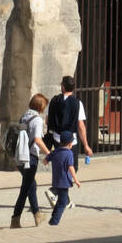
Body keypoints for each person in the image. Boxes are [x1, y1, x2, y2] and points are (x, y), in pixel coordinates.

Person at [44, 76, 92, 209]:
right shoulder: (77, 103)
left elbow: (48, 120)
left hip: (57, 138)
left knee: (60, 167)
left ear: (63, 86)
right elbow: (81, 125)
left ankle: (65, 200)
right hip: (71, 140)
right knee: (72, 167)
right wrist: (86, 145)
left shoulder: (54, 100)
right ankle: (54, 191)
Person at [9, 93, 50, 228]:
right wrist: (48, 153)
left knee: (31, 185)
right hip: (30, 158)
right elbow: (38, 140)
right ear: (40, 106)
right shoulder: (37, 120)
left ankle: (37, 215)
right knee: (26, 188)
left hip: (20, 156)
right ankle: (15, 218)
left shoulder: (24, 117)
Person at [45, 131, 80, 226]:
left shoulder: (55, 151)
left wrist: (46, 161)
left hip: (56, 180)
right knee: (63, 202)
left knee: (60, 199)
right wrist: (76, 180)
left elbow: (46, 159)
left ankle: (53, 192)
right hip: (64, 182)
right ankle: (54, 221)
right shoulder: (69, 154)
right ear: (69, 143)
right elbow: (71, 167)